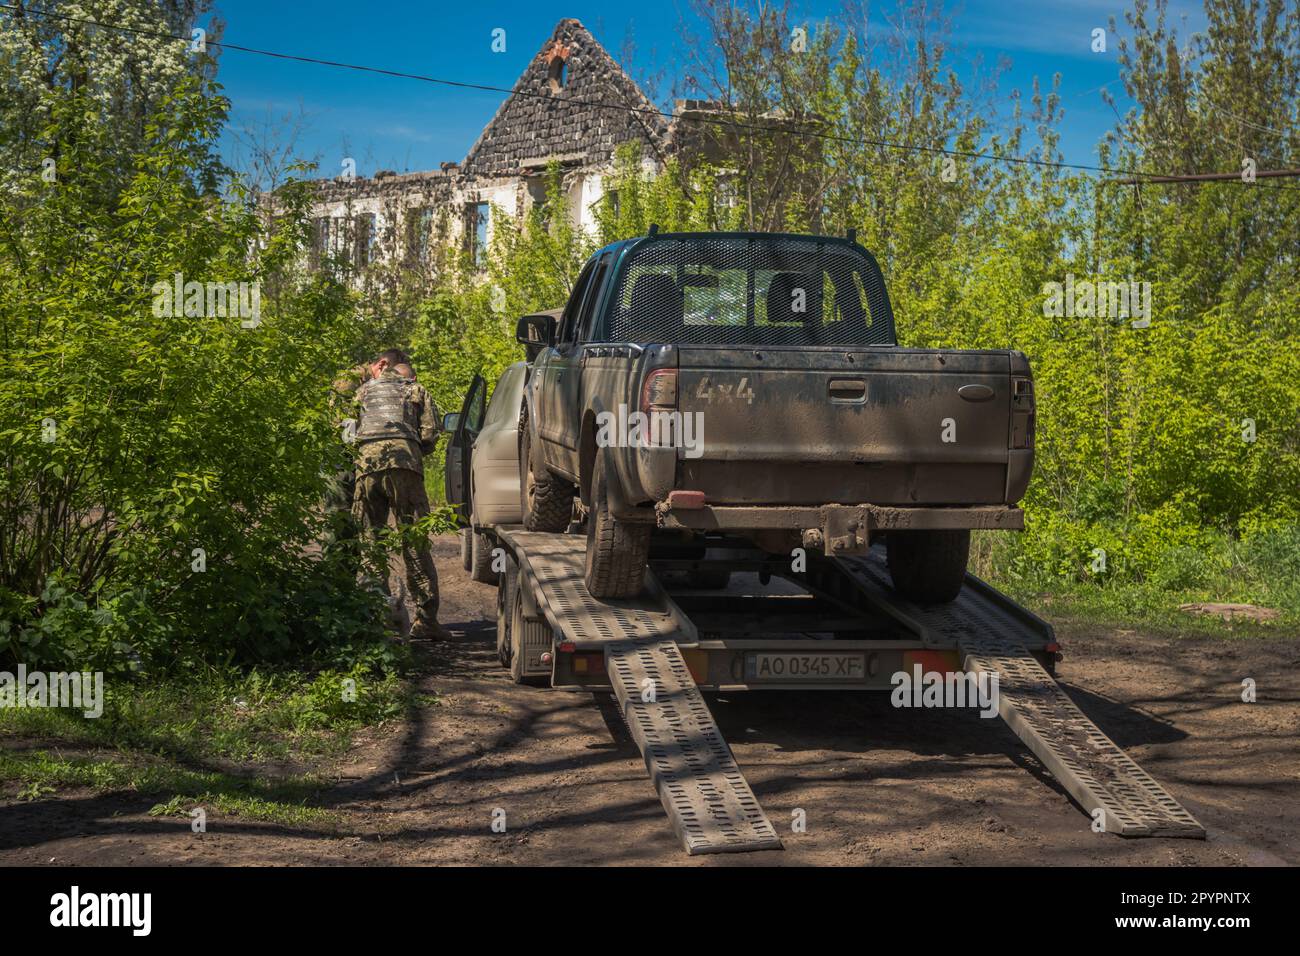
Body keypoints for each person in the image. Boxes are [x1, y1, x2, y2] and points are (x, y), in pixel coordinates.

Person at [351, 349, 450, 641]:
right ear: (405, 370)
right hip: (405, 465)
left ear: (384, 366)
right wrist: (415, 453)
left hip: (367, 467)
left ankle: (377, 618)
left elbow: (346, 432)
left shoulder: (362, 391)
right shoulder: (416, 389)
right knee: (415, 541)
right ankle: (426, 620)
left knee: (371, 543)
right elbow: (431, 432)